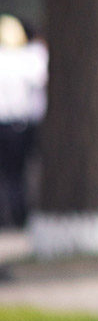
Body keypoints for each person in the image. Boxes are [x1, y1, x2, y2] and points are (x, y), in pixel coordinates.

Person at [0, 15, 45, 229]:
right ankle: (19, 217)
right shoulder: (30, 58)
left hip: (10, 125)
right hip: (18, 126)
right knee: (16, 175)